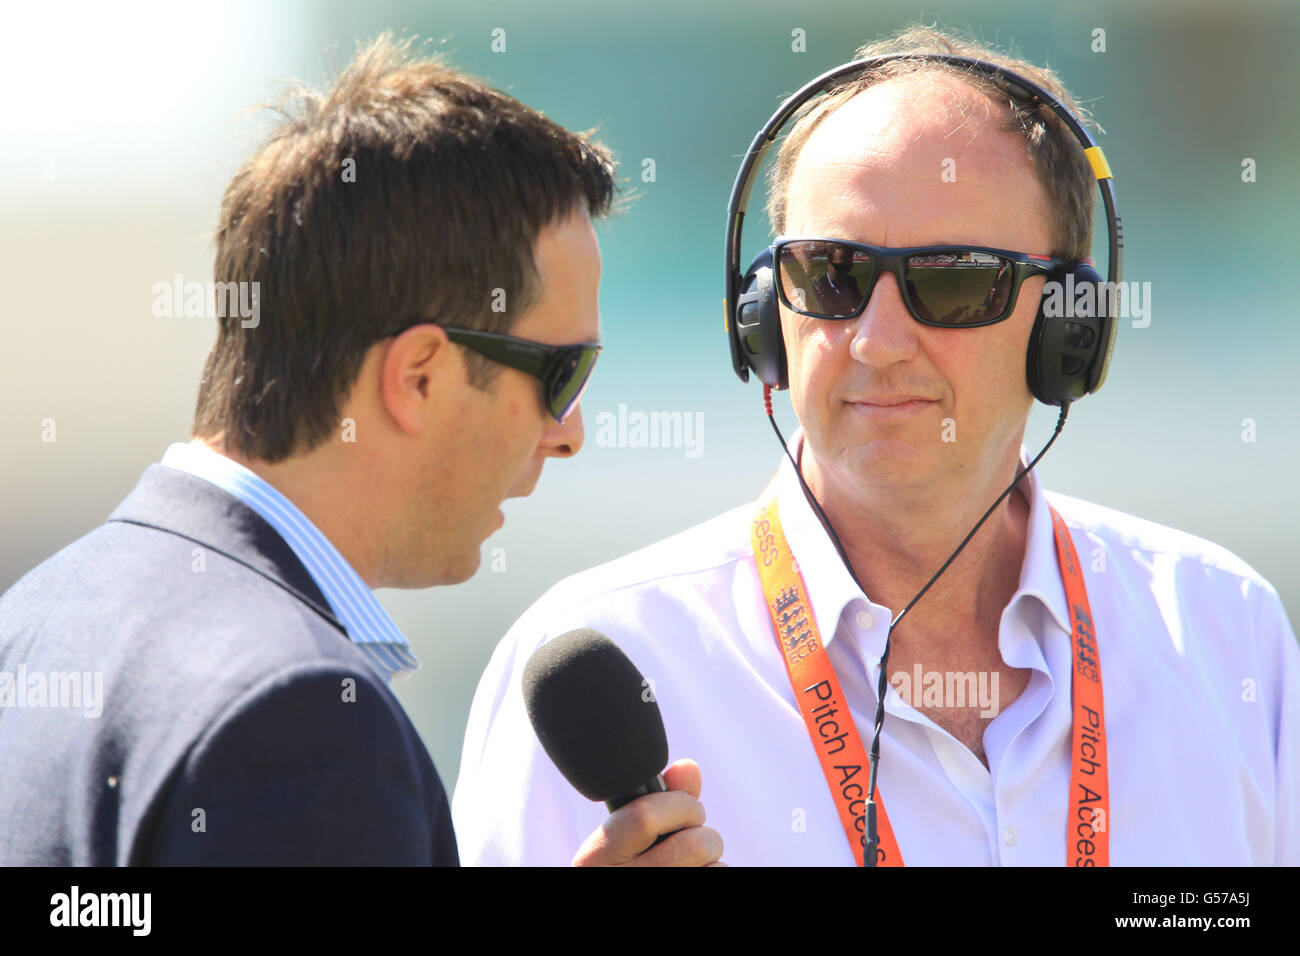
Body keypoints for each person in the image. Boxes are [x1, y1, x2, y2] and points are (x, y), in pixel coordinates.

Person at [452, 26, 1300, 866]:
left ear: (1069, 324)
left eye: (955, 277)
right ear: (762, 315)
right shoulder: (597, 663)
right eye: (832, 274)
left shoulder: (1229, 629)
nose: (878, 341)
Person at [0, 34, 722, 867]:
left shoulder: (37, 618)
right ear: (418, 375)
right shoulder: (298, 712)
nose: (571, 433)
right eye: (564, 371)